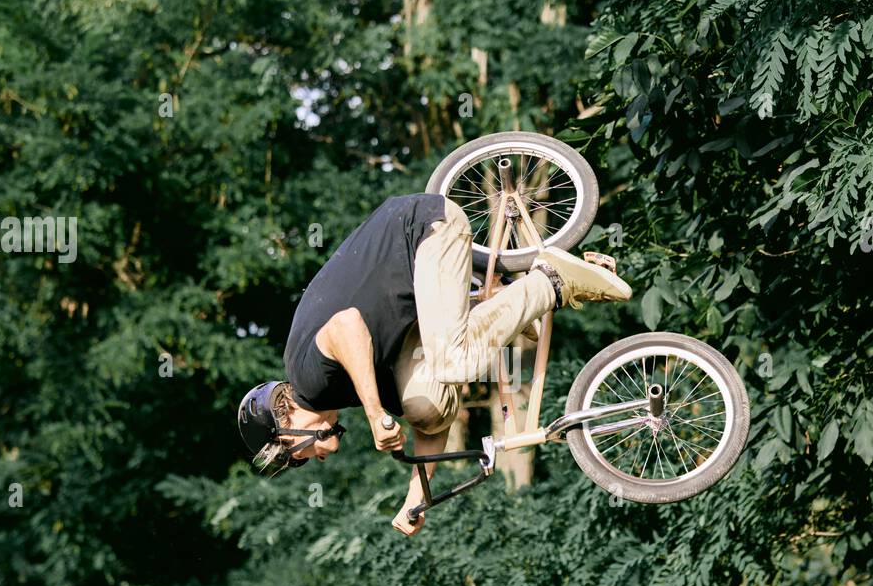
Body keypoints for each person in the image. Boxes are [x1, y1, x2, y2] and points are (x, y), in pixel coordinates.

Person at [237, 192, 630, 535]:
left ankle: (549, 281)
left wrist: (375, 415)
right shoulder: (337, 386)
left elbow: (347, 325)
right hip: (419, 270)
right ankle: (500, 302)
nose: (310, 461)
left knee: (453, 358)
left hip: (423, 230)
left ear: (286, 430)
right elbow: (431, 423)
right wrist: (414, 499)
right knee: (426, 404)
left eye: (295, 458)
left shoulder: (309, 382)